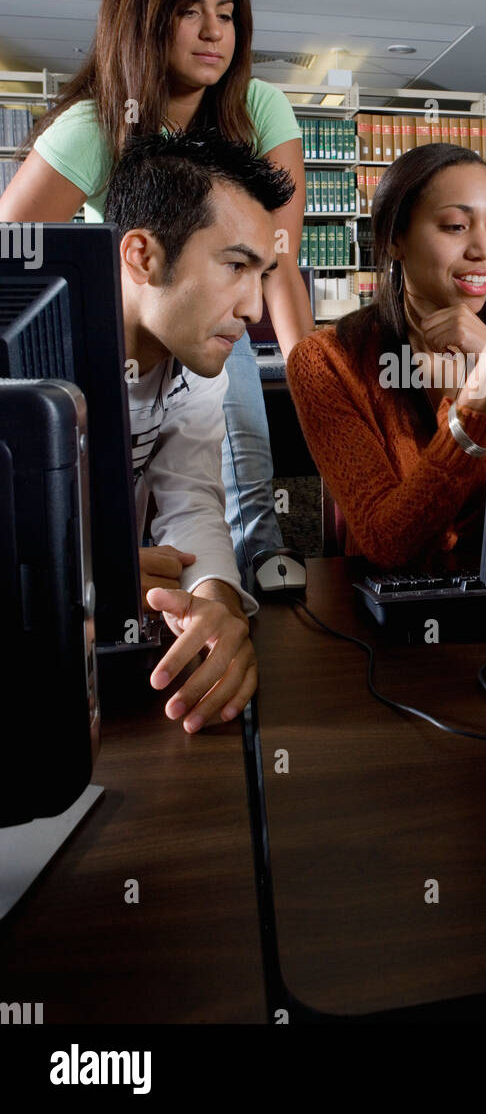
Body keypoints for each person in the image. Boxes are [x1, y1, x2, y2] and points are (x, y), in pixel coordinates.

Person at [0, 0, 313, 586]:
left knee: (234, 459)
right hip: (107, 338)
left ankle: (245, 573)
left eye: (226, 14)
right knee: (80, 482)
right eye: (188, 11)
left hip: (194, 327)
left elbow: (275, 258)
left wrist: (311, 377)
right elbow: (11, 265)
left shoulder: (259, 108)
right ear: (142, 20)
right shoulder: (94, 126)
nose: (212, 32)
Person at [103, 129, 293, 733]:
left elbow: (190, 496)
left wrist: (213, 604)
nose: (255, 309)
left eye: (261, 273)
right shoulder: (31, 351)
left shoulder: (191, 360)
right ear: (143, 256)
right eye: (235, 265)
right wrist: (86, 578)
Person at [287, 143, 486, 570]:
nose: (483, 250)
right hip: (388, 616)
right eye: (456, 226)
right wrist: (479, 395)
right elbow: (390, 542)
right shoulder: (327, 362)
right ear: (394, 240)